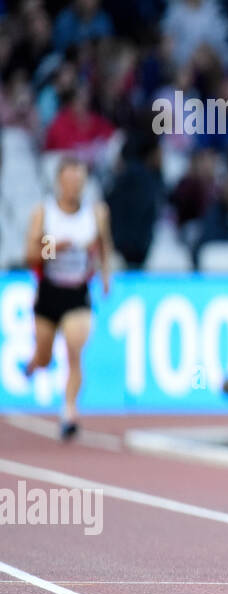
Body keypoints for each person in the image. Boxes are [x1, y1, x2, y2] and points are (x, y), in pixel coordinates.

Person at [23, 156, 114, 440]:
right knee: (45, 354)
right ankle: (34, 363)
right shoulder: (45, 213)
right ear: (60, 182)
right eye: (70, 180)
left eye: (79, 180)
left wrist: (105, 275)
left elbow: (104, 245)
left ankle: (69, 410)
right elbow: (31, 257)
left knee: (75, 350)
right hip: (50, 291)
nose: (75, 186)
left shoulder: (96, 213)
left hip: (77, 291)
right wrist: (56, 247)